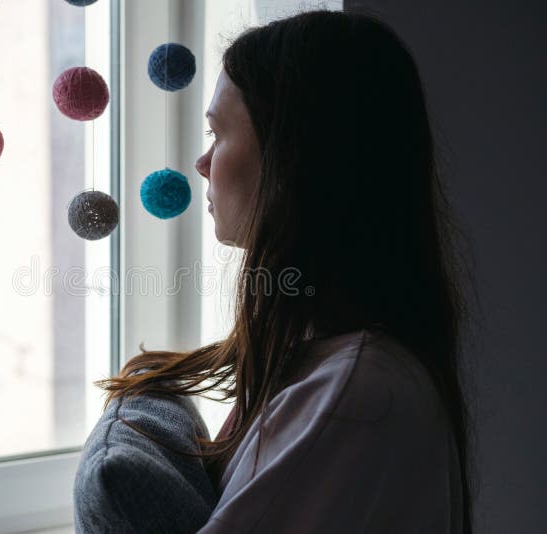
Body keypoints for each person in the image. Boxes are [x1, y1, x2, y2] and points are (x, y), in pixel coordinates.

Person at [94, 8, 479, 533]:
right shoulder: (324, 363)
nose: (202, 163)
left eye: (217, 133)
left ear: (292, 158)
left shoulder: (356, 391)